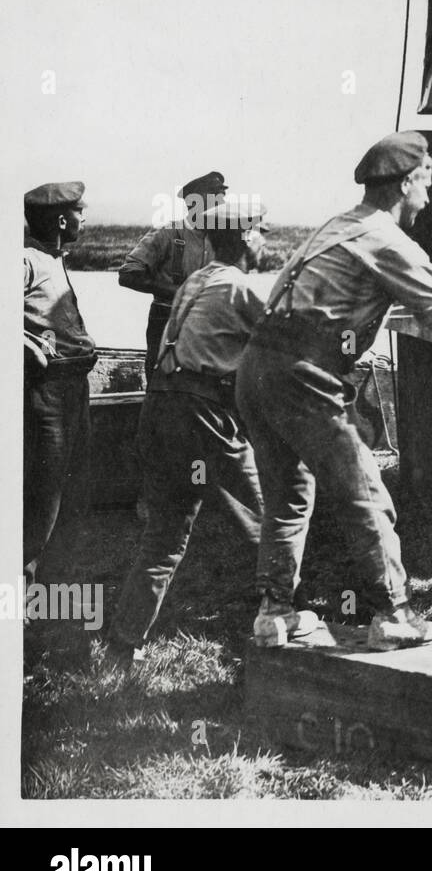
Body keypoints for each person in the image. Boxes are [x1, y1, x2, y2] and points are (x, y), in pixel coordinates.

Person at [236, 131, 432, 651]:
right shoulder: (386, 239)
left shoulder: (345, 226)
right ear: (406, 183)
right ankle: (395, 614)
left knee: (288, 496)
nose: (429, 199)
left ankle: (275, 613)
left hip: (257, 368)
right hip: (304, 374)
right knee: (365, 491)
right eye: (426, 184)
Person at [106, 202, 272, 671]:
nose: (266, 240)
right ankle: (286, 630)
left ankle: (123, 645)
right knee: (272, 522)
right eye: (260, 232)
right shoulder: (238, 287)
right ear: (242, 239)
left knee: (164, 536)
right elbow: (284, 350)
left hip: (160, 411)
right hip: (201, 417)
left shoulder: (194, 282)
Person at [24, 182, 97, 593]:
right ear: (62, 219)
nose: (85, 219)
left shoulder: (53, 259)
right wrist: (27, 342)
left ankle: (51, 593)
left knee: (72, 491)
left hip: (74, 389)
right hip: (48, 394)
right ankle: (18, 600)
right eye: (80, 212)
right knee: (43, 497)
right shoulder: (27, 260)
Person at [119, 170, 223, 381]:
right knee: (161, 384)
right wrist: (177, 292)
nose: (220, 207)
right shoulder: (168, 233)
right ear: (195, 203)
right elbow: (128, 274)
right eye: (215, 200)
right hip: (166, 319)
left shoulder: (221, 239)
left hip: (205, 325)